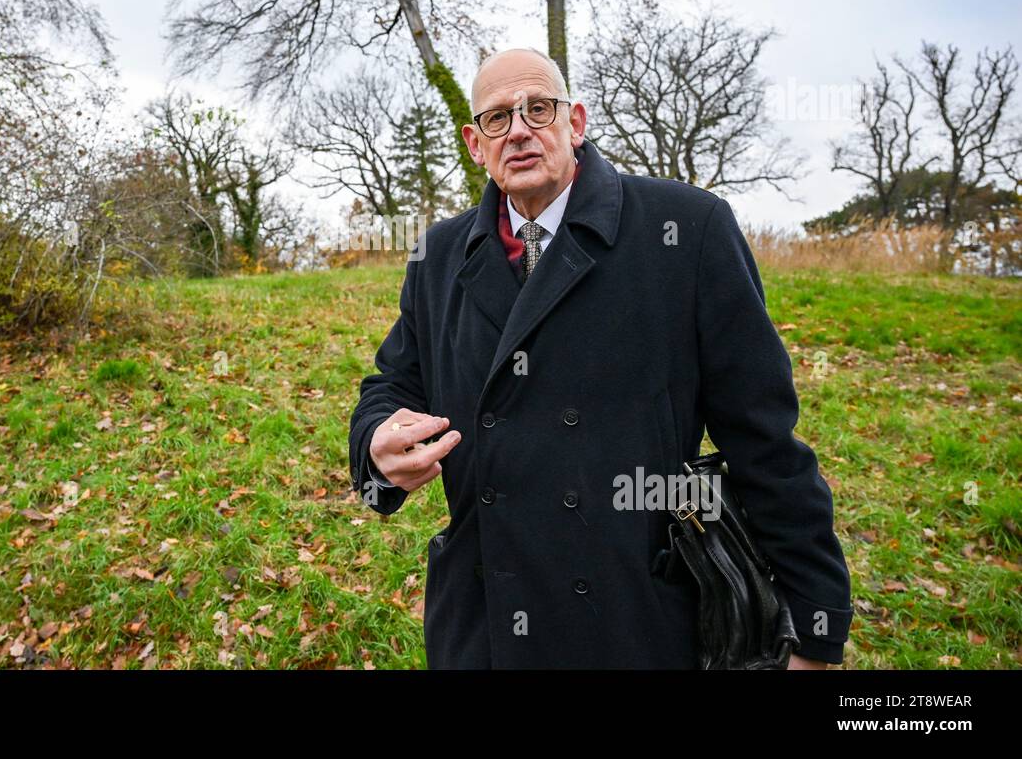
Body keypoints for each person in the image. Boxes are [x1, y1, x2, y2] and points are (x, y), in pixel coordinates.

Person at [348, 47, 853, 668]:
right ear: (475, 144)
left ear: (576, 122)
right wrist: (376, 444)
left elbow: (765, 442)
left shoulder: (687, 229)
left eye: (539, 108)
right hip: (483, 620)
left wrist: (816, 628)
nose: (521, 130)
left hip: (635, 617)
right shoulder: (440, 254)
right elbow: (394, 383)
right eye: (498, 118)